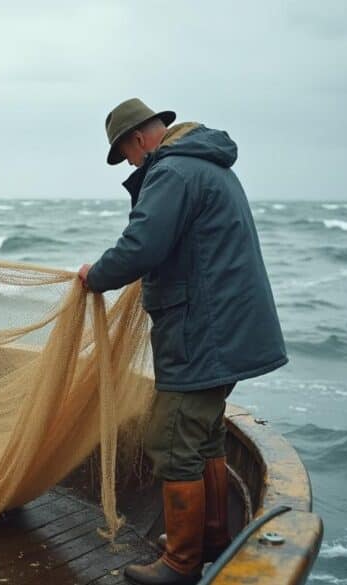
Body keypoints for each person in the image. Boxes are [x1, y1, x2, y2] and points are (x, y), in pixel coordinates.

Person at [77, 98, 287, 585]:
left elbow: (142, 245)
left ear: (139, 139)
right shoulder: (204, 165)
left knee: (169, 439)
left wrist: (96, 276)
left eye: (126, 156)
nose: (131, 165)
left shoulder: (172, 172)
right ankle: (212, 537)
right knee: (205, 435)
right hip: (225, 329)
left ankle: (181, 564)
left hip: (205, 331)